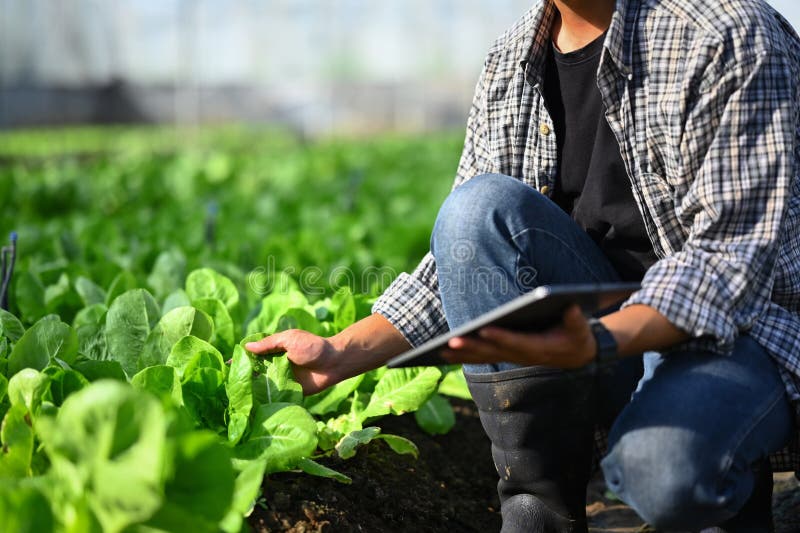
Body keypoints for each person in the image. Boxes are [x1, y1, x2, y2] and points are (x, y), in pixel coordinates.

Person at [246, 0, 800, 530]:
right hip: (602, 337)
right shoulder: (511, 61)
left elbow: (730, 265)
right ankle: (539, 513)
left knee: (661, 471)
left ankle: (730, 508)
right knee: (475, 214)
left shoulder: (724, 32)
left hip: (742, 338)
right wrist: (339, 354)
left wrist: (597, 340)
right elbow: (462, 262)